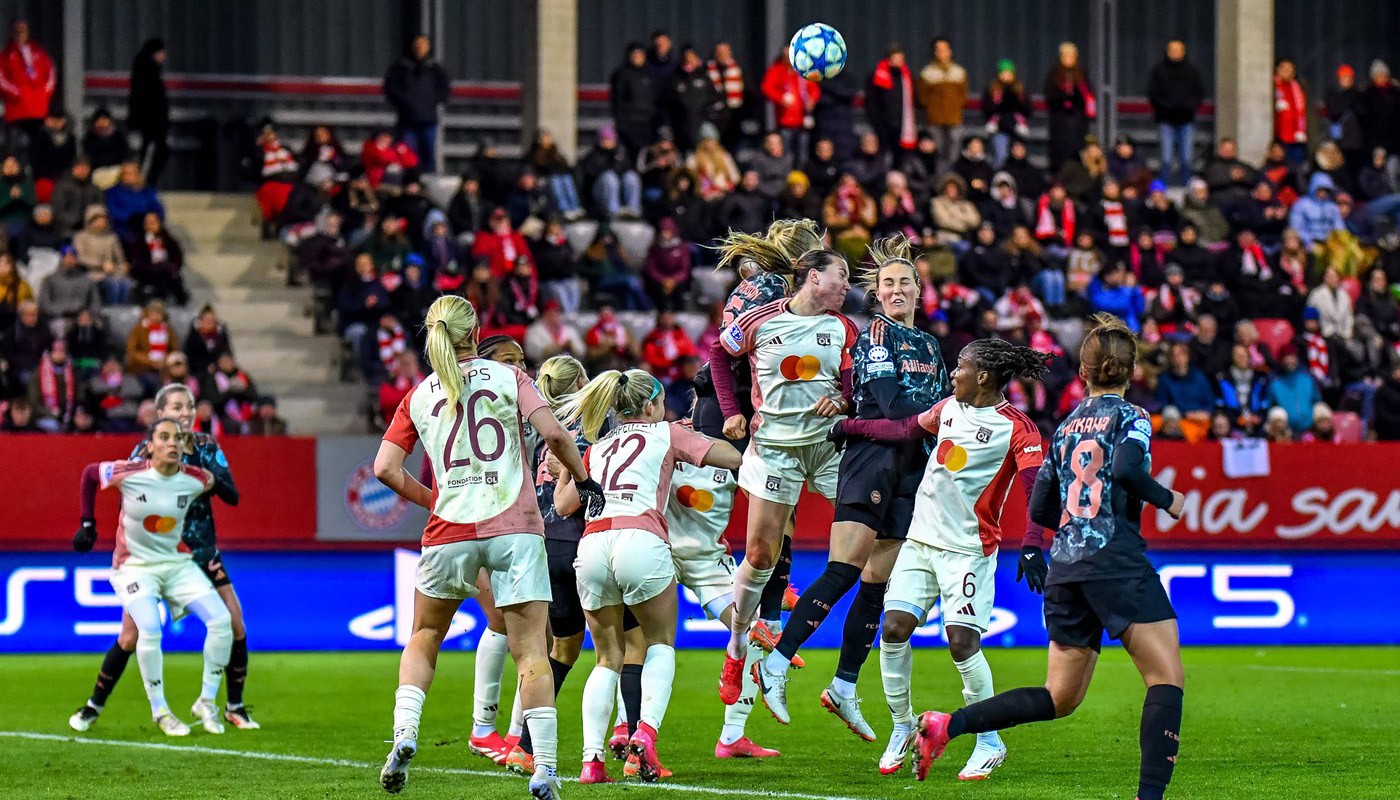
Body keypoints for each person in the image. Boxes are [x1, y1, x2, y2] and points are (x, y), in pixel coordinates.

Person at [910, 314, 1187, 800]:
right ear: (1132, 370)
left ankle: (948, 725)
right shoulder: (1134, 417)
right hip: (1116, 561)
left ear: (1083, 371)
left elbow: (1040, 501)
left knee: (1060, 697)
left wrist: (1036, 547)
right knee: (1166, 677)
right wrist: (1167, 499)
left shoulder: (1065, 427)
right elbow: (1124, 467)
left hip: (1066, 567)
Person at [372, 295, 602, 798]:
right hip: (515, 528)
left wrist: (433, 499)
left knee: (425, 636)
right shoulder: (511, 378)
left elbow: (384, 469)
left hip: (449, 529)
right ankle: (543, 767)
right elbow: (557, 436)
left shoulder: (418, 395)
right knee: (530, 652)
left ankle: (405, 735)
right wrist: (583, 480)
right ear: (475, 332)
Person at [826, 336, 1049, 779]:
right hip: (920, 543)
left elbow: (1037, 489)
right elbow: (905, 429)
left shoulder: (1017, 428)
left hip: (967, 550)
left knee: (962, 642)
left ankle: (989, 740)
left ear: (983, 377)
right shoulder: (948, 408)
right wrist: (849, 427)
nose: (954, 372)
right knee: (892, 629)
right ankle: (903, 726)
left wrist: (1033, 544)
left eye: (961, 366)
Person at [754, 237, 951, 738]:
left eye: (906, 281)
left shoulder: (930, 346)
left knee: (876, 585)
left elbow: (938, 417)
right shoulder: (876, 337)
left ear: (918, 290)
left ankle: (843, 687)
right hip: (872, 461)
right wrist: (940, 415)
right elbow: (888, 406)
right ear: (878, 294)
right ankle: (776, 663)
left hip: (912, 468)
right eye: (888, 283)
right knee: (843, 569)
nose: (897, 289)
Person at [553, 368, 741, 783]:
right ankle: (645, 733)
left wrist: (564, 466)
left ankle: (591, 762)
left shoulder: (597, 447)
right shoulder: (667, 434)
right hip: (641, 538)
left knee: (606, 658)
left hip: (594, 543)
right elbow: (731, 458)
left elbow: (564, 505)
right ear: (652, 405)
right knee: (660, 644)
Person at [711, 248, 856, 704]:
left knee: (872, 541)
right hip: (775, 449)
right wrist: (731, 412)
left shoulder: (846, 328)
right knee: (759, 553)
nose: (848, 286)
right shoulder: (759, 320)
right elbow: (719, 352)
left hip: (829, 447)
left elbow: (855, 383)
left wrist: (846, 403)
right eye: (842, 277)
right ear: (813, 277)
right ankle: (736, 649)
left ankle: (840, 679)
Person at [69, 383, 251, 731]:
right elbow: (129, 497)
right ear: (160, 415)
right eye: (177, 408)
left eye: (189, 407)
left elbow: (231, 494)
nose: (185, 414)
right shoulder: (145, 452)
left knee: (234, 623)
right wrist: (92, 526)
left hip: (200, 550)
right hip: (151, 556)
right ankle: (94, 705)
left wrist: (205, 473)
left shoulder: (207, 447)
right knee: (131, 636)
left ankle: (233, 706)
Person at [382, 35, 450, 169]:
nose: (420, 49)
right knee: (406, 154)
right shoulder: (400, 68)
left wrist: (429, 101)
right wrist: (406, 102)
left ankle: (428, 183)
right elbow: (390, 89)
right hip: (407, 120)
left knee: (428, 154)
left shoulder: (434, 69)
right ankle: (409, 183)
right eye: (417, 45)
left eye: (423, 45)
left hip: (428, 119)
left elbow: (444, 89)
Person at [1145, 41, 1205, 187]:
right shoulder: (1158, 71)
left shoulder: (1192, 71)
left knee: (1187, 159)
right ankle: (1162, 192)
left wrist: (1188, 108)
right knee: (1165, 159)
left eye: (1178, 50)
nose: (1175, 53)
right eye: (1173, 50)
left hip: (1186, 120)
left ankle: (1187, 190)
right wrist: (1167, 108)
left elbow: (1198, 93)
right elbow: (1153, 94)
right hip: (1166, 120)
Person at [0, 20, 55, 146]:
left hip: (39, 108)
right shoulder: (6, 55)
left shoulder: (39, 53)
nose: (20, 32)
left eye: (23, 29)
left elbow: (50, 74)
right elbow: (2, 79)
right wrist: (19, 93)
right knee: (16, 146)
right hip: (17, 110)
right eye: (17, 30)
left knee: (39, 146)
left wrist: (42, 93)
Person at [1044, 43, 1096, 174]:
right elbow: (1050, 97)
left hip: (1077, 122)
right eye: (1065, 56)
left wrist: (1075, 95)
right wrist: (1063, 95)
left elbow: (1088, 97)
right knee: (1060, 152)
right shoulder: (1054, 75)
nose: (1068, 59)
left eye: (1071, 56)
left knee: (1077, 150)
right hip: (1059, 122)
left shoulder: (1081, 75)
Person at [917, 37, 968, 170]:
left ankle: (952, 173)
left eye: (944, 49)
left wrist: (954, 107)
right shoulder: (927, 73)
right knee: (937, 149)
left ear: (950, 51)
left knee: (955, 145)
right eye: (938, 50)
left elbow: (963, 95)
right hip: (934, 119)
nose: (942, 53)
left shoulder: (959, 72)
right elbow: (922, 97)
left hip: (954, 118)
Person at [762, 52, 819, 163]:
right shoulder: (777, 70)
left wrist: (812, 100)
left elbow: (814, 89)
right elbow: (767, 89)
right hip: (785, 121)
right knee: (786, 153)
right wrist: (781, 98)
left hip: (803, 121)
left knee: (803, 154)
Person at [127, 39, 170, 185]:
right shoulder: (148, 73)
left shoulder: (144, 71)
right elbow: (147, 101)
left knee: (154, 153)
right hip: (151, 125)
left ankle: (145, 182)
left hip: (150, 124)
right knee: (151, 154)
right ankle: (144, 183)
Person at [868, 45, 917, 156]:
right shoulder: (876, 76)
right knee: (884, 153)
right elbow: (872, 102)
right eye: (896, 58)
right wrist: (876, 122)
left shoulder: (906, 76)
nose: (899, 61)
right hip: (883, 124)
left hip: (902, 125)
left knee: (901, 155)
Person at [609, 43, 657, 157]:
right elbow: (617, 101)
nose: (637, 57)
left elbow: (655, 99)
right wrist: (622, 123)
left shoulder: (650, 73)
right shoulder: (622, 74)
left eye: (640, 55)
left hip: (648, 124)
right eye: (635, 55)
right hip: (630, 125)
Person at [982, 60, 1030, 169]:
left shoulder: (1020, 90)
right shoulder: (993, 89)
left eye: (1009, 73)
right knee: (1001, 157)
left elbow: (1027, 109)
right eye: (1004, 73)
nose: (1006, 76)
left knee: (1018, 157)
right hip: (999, 129)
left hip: (1017, 129)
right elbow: (987, 108)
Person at [1273, 59, 1309, 165]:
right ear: (1278, 70)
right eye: (1284, 69)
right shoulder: (1274, 85)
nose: (1287, 72)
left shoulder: (1297, 87)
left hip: (1296, 136)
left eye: (1290, 69)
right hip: (1280, 137)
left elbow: (1301, 110)